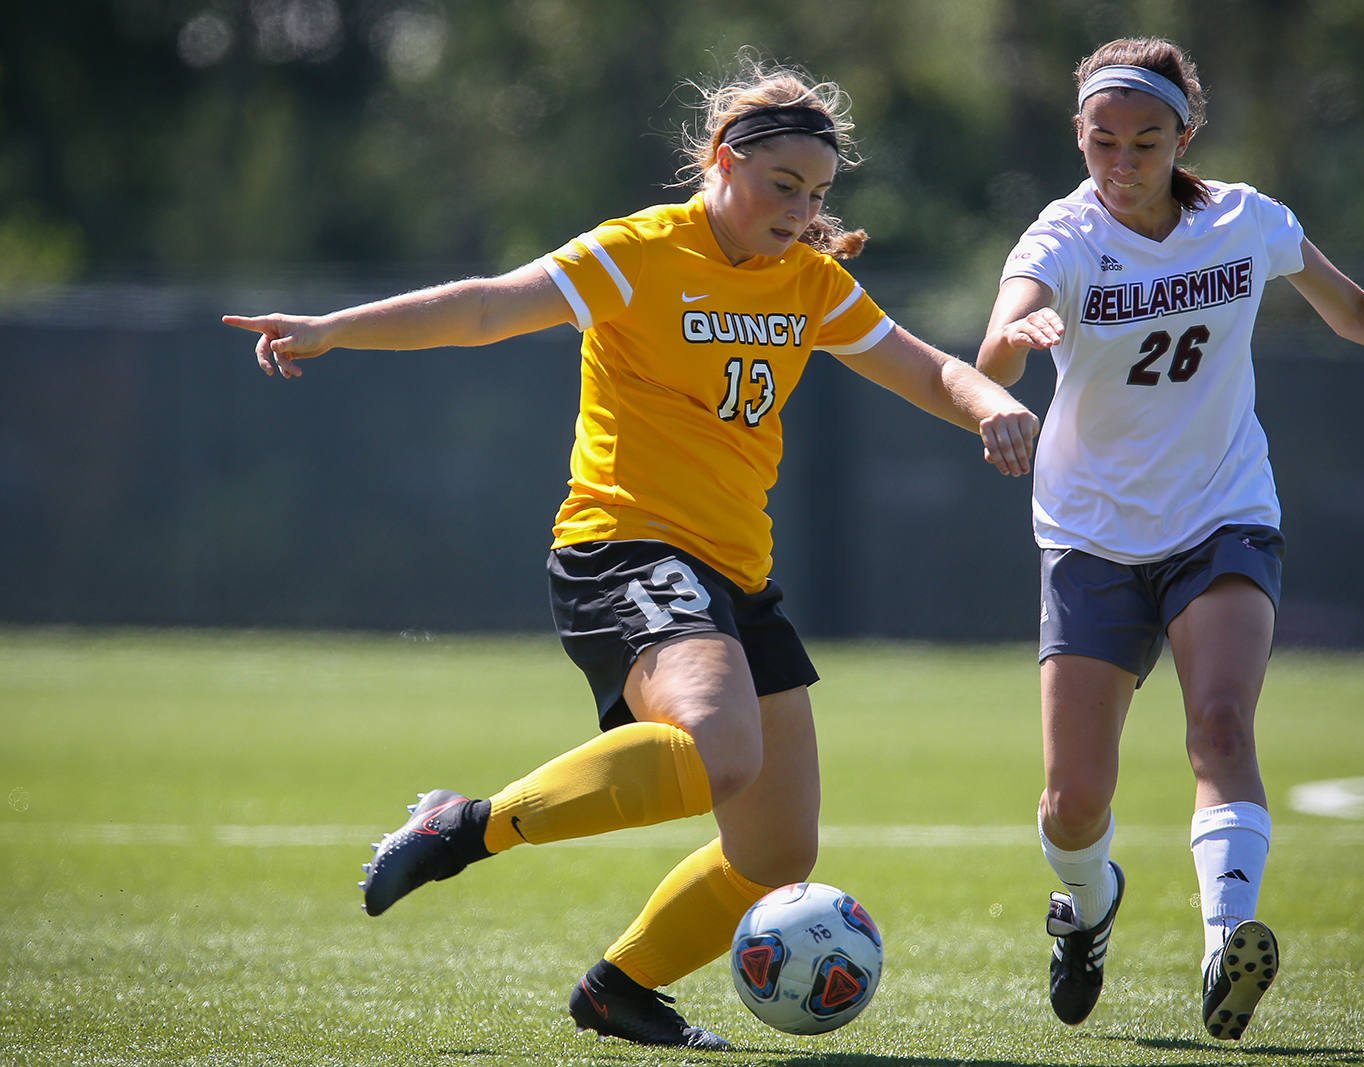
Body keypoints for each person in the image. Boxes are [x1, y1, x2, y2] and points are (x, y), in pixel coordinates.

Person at [226, 56, 1039, 1050]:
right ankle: (463, 823)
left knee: (776, 851)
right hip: (625, 546)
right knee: (719, 745)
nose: (799, 210)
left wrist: (992, 400)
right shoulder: (642, 252)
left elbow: (930, 370)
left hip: (734, 573)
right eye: (783, 186)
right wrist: (333, 330)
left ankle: (620, 985)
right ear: (720, 160)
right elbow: (488, 303)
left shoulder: (811, 282)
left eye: (817, 194)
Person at [976, 36, 1364, 1042]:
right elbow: (1004, 326)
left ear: (1186, 133)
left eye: (1146, 141)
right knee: (1073, 799)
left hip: (1223, 514)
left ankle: (1226, 941)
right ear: (1078, 139)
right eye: (1102, 143)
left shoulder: (1245, 220)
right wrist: (1017, 337)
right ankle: (1085, 907)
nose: (1122, 164)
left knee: (1220, 724)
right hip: (1090, 534)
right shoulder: (1064, 235)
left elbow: (1350, 310)